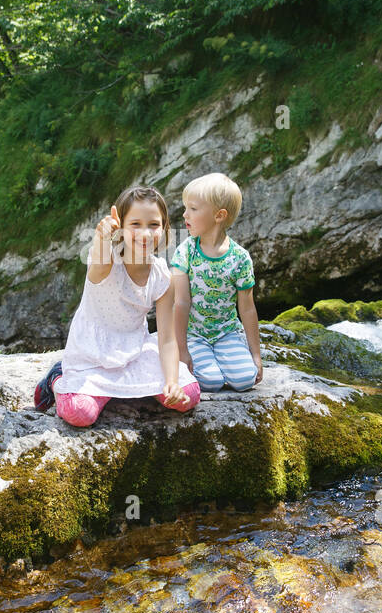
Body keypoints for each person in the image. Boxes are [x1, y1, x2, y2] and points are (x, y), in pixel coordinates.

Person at [33, 186, 200, 427]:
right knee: (80, 413)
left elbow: (166, 339)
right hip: (93, 354)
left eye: (153, 225)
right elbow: (98, 265)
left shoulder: (162, 275)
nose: (145, 233)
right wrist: (102, 236)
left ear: (164, 228)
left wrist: (172, 381)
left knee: (189, 395)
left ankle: (119, 388)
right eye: (135, 224)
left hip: (134, 352)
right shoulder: (108, 260)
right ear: (120, 225)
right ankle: (58, 377)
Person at [170, 172, 263, 391]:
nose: (185, 215)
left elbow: (247, 309)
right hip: (194, 333)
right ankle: (201, 358)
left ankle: (228, 354)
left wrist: (256, 355)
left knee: (245, 380)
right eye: (186, 208)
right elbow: (181, 302)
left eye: (193, 209)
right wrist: (181, 350)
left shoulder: (240, 258)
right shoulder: (185, 252)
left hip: (226, 332)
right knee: (209, 382)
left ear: (219, 215)